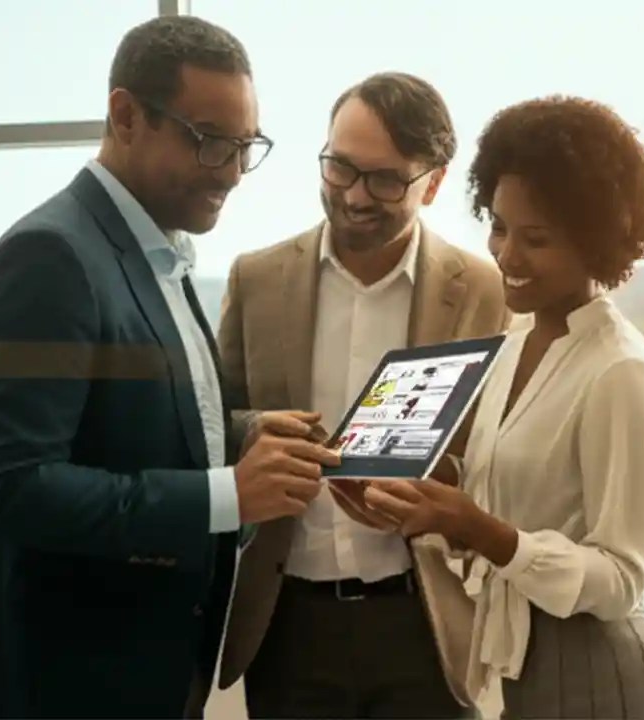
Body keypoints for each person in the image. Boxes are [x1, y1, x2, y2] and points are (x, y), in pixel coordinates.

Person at [0, 16, 338, 719]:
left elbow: (125, 425)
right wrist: (227, 495)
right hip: (52, 688)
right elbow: (2, 489)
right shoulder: (49, 258)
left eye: (246, 147)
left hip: (141, 680)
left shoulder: (158, 254)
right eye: (210, 142)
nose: (234, 174)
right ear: (125, 115)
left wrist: (244, 436)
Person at [363, 96, 644, 719]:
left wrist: (476, 528)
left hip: (604, 675)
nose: (506, 254)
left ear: (595, 241)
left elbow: (622, 579)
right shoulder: (513, 343)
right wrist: (431, 496)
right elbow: (510, 500)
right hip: (528, 670)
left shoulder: (619, 370)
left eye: (535, 238)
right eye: (497, 225)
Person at [216, 72, 509, 718]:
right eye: (339, 168)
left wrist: (436, 492)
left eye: (383, 180)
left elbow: (499, 453)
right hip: (285, 624)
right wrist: (255, 432)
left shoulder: (484, 289)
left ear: (433, 182)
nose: (353, 196)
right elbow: (208, 425)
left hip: (423, 623)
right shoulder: (256, 278)